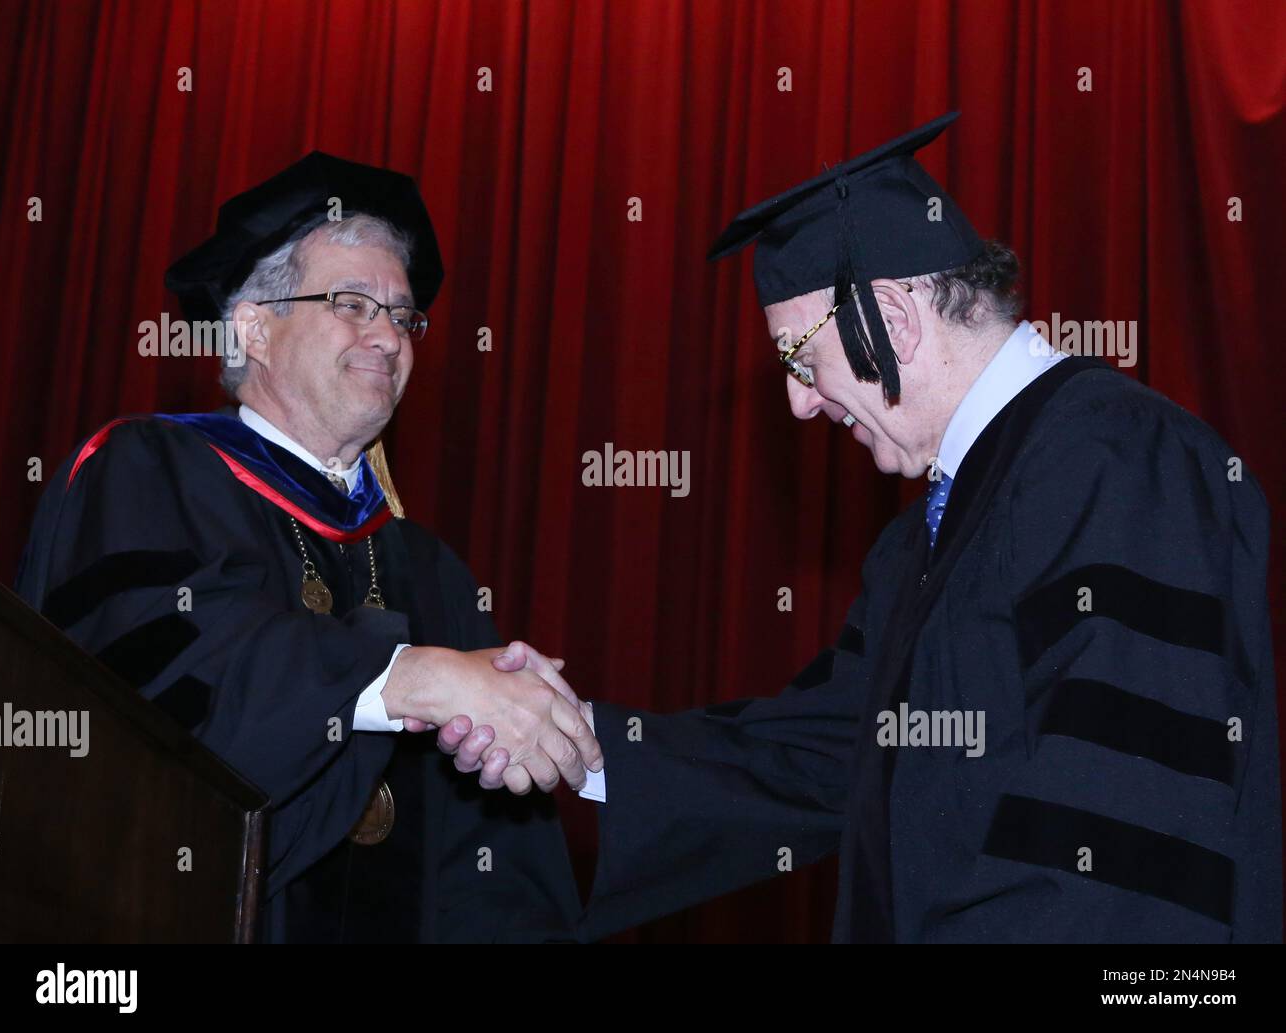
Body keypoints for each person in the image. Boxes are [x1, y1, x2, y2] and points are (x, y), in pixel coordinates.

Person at [477, 113, 1282, 942]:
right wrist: (582, 742)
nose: (797, 401)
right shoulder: (922, 540)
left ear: (891, 317)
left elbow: (1120, 831)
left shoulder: (1119, 460)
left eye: (798, 358)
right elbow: (816, 757)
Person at [15, 152, 602, 943]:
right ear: (254, 327)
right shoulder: (148, 471)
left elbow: (487, 862)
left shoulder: (431, 573)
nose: (388, 337)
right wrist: (408, 677)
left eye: (402, 315)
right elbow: (154, 698)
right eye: (352, 303)